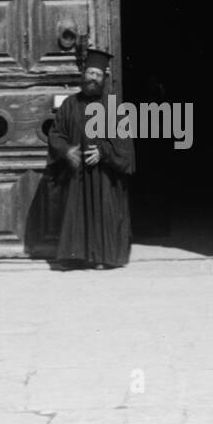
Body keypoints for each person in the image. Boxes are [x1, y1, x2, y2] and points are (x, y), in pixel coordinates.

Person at [45, 48, 134, 269]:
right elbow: (56, 134)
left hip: (106, 177)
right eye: (90, 72)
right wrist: (66, 150)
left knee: (105, 212)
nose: (93, 78)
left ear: (104, 78)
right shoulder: (69, 105)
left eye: (97, 74)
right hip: (77, 175)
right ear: (83, 74)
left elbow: (124, 146)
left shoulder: (114, 107)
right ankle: (77, 257)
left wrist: (103, 152)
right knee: (76, 213)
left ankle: (103, 258)